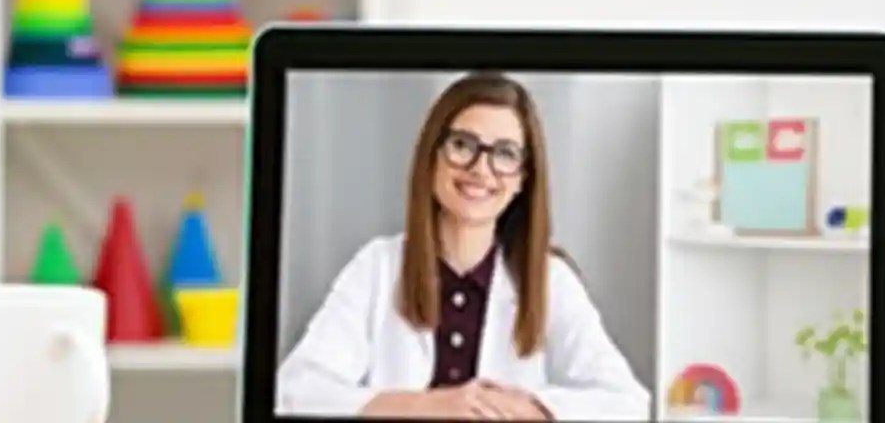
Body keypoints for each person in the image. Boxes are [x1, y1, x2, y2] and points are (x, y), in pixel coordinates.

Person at [276, 72, 650, 420]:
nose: (480, 169)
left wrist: (523, 408)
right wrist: (430, 406)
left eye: (504, 154)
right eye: (462, 145)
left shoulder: (549, 277)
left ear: (523, 179)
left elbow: (627, 404)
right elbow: (296, 391)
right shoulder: (378, 266)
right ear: (433, 158)